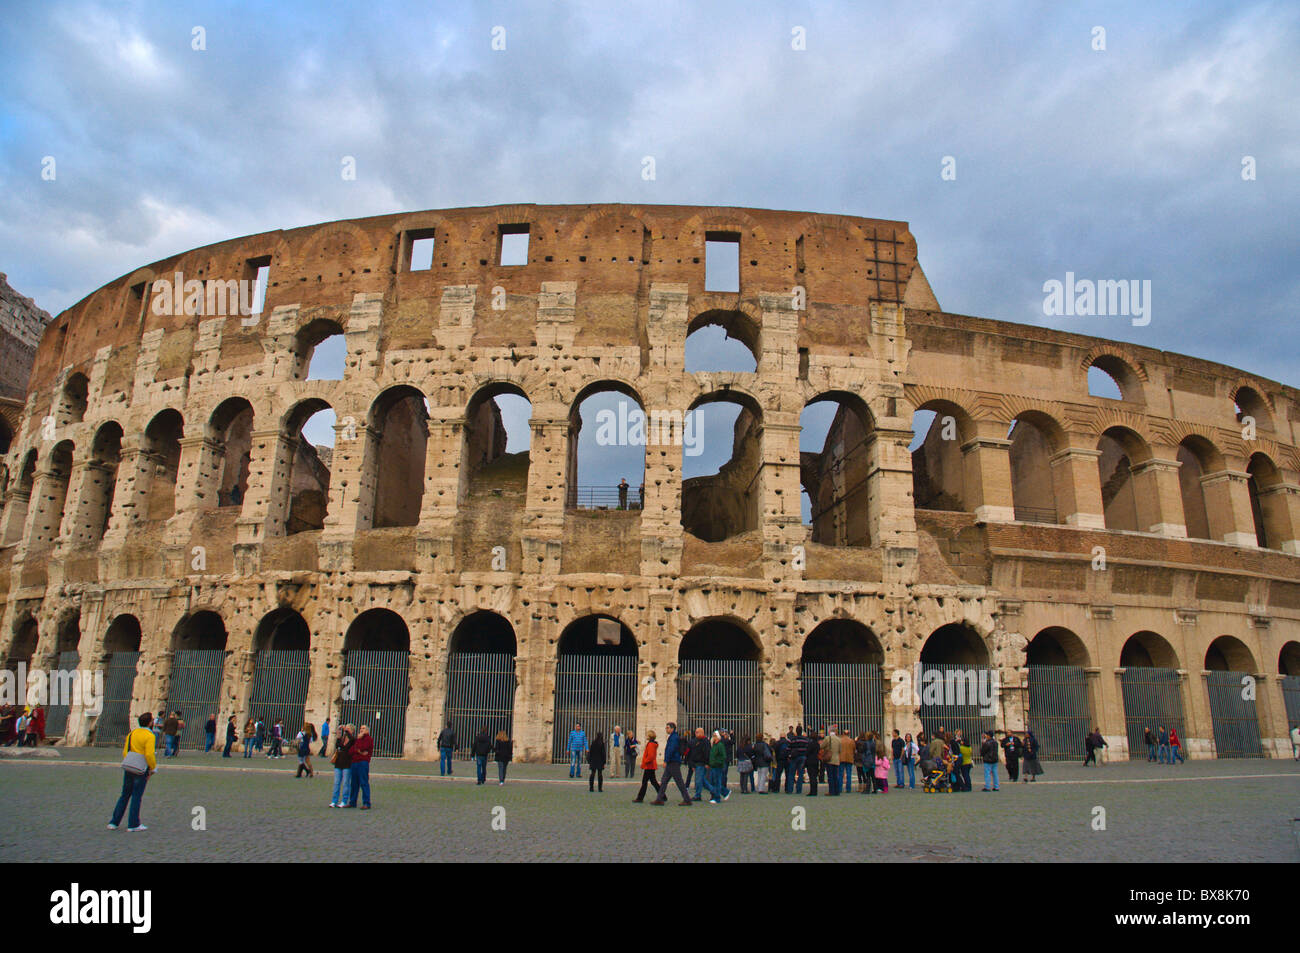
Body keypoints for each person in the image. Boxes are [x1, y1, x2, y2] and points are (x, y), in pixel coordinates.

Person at [109, 712, 157, 832]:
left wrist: (131, 762)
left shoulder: (132, 733)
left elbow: (125, 752)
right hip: (141, 769)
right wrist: (153, 767)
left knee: (124, 795)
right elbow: (149, 754)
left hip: (129, 766)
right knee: (136, 796)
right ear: (150, 723)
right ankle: (133, 824)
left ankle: (114, 822)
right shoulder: (150, 736)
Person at [649, 722, 693, 806]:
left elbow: (671, 750)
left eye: (668, 728)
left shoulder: (674, 738)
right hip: (672, 761)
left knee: (678, 781)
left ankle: (687, 799)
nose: (666, 729)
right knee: (664, 780)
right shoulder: (673, 737)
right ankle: (659, 799)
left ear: (672, 729)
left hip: (673, 762)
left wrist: (666, 760)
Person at [347, 725, 374, 809]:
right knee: (354, 783)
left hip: (363, 763)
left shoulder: (369, 739)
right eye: (361, 728)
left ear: (367, 731)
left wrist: (358, 750)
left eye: (363, 728)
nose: (361, 730)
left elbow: (364, 748)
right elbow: (351, 751)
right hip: (354, 762)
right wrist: (359, 750)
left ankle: (366, 802)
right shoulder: (357, 739)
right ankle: (352, 801)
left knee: (364, 782)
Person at [328, 724, 353, 808]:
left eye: (348, 729)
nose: (346, 730)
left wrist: (346, 730)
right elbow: (338, 746)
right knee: (336, 783)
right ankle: (334, 801)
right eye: (346, 729)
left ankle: (344, 801)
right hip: (339, 763)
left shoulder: (353, 740)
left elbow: (348, 746)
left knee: (346, 783)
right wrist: (338, 736)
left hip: (347, 764)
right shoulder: (342, 739)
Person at [633, 729, 661, 802]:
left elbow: (650, 756)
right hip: (651, 765)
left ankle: (640, 798)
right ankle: (662, 795)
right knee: (653, 782)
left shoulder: (651, 744)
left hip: (649, 765)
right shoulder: (652, 744)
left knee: (645, 782)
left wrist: (645, 761)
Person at [706, 731, 729, 804]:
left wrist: (717, 762)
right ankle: (724, 792)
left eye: (715, 736)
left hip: (717, 766)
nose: (714, 737)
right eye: (713, 736)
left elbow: (723, 756)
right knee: (713, 782)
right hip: (713, 766)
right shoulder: (714, 745)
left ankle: (717, 798)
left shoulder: (720, 745)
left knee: (717, 782)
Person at [688, 727, 711, 801]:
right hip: (697, 763)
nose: (696, 734)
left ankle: (698, 795)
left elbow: (707, 753)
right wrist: (692, 764)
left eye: (698, 732)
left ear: (702, 733)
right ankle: (713, 792)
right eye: (696, 732)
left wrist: (707, 763)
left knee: (699, 780)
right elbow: (692, 753)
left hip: (702, 763)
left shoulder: (705, 741)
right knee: (702, 780)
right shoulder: (695, 741)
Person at [839, 728, 856, 795]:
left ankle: (840, 788)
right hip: (849, 758)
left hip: (841, 758)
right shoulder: (851, 741)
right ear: (849, 734)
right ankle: (848, 788)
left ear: (843, 734)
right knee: (849, 774)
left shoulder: (840, 740)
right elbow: (854, 749)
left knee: (840, 774)